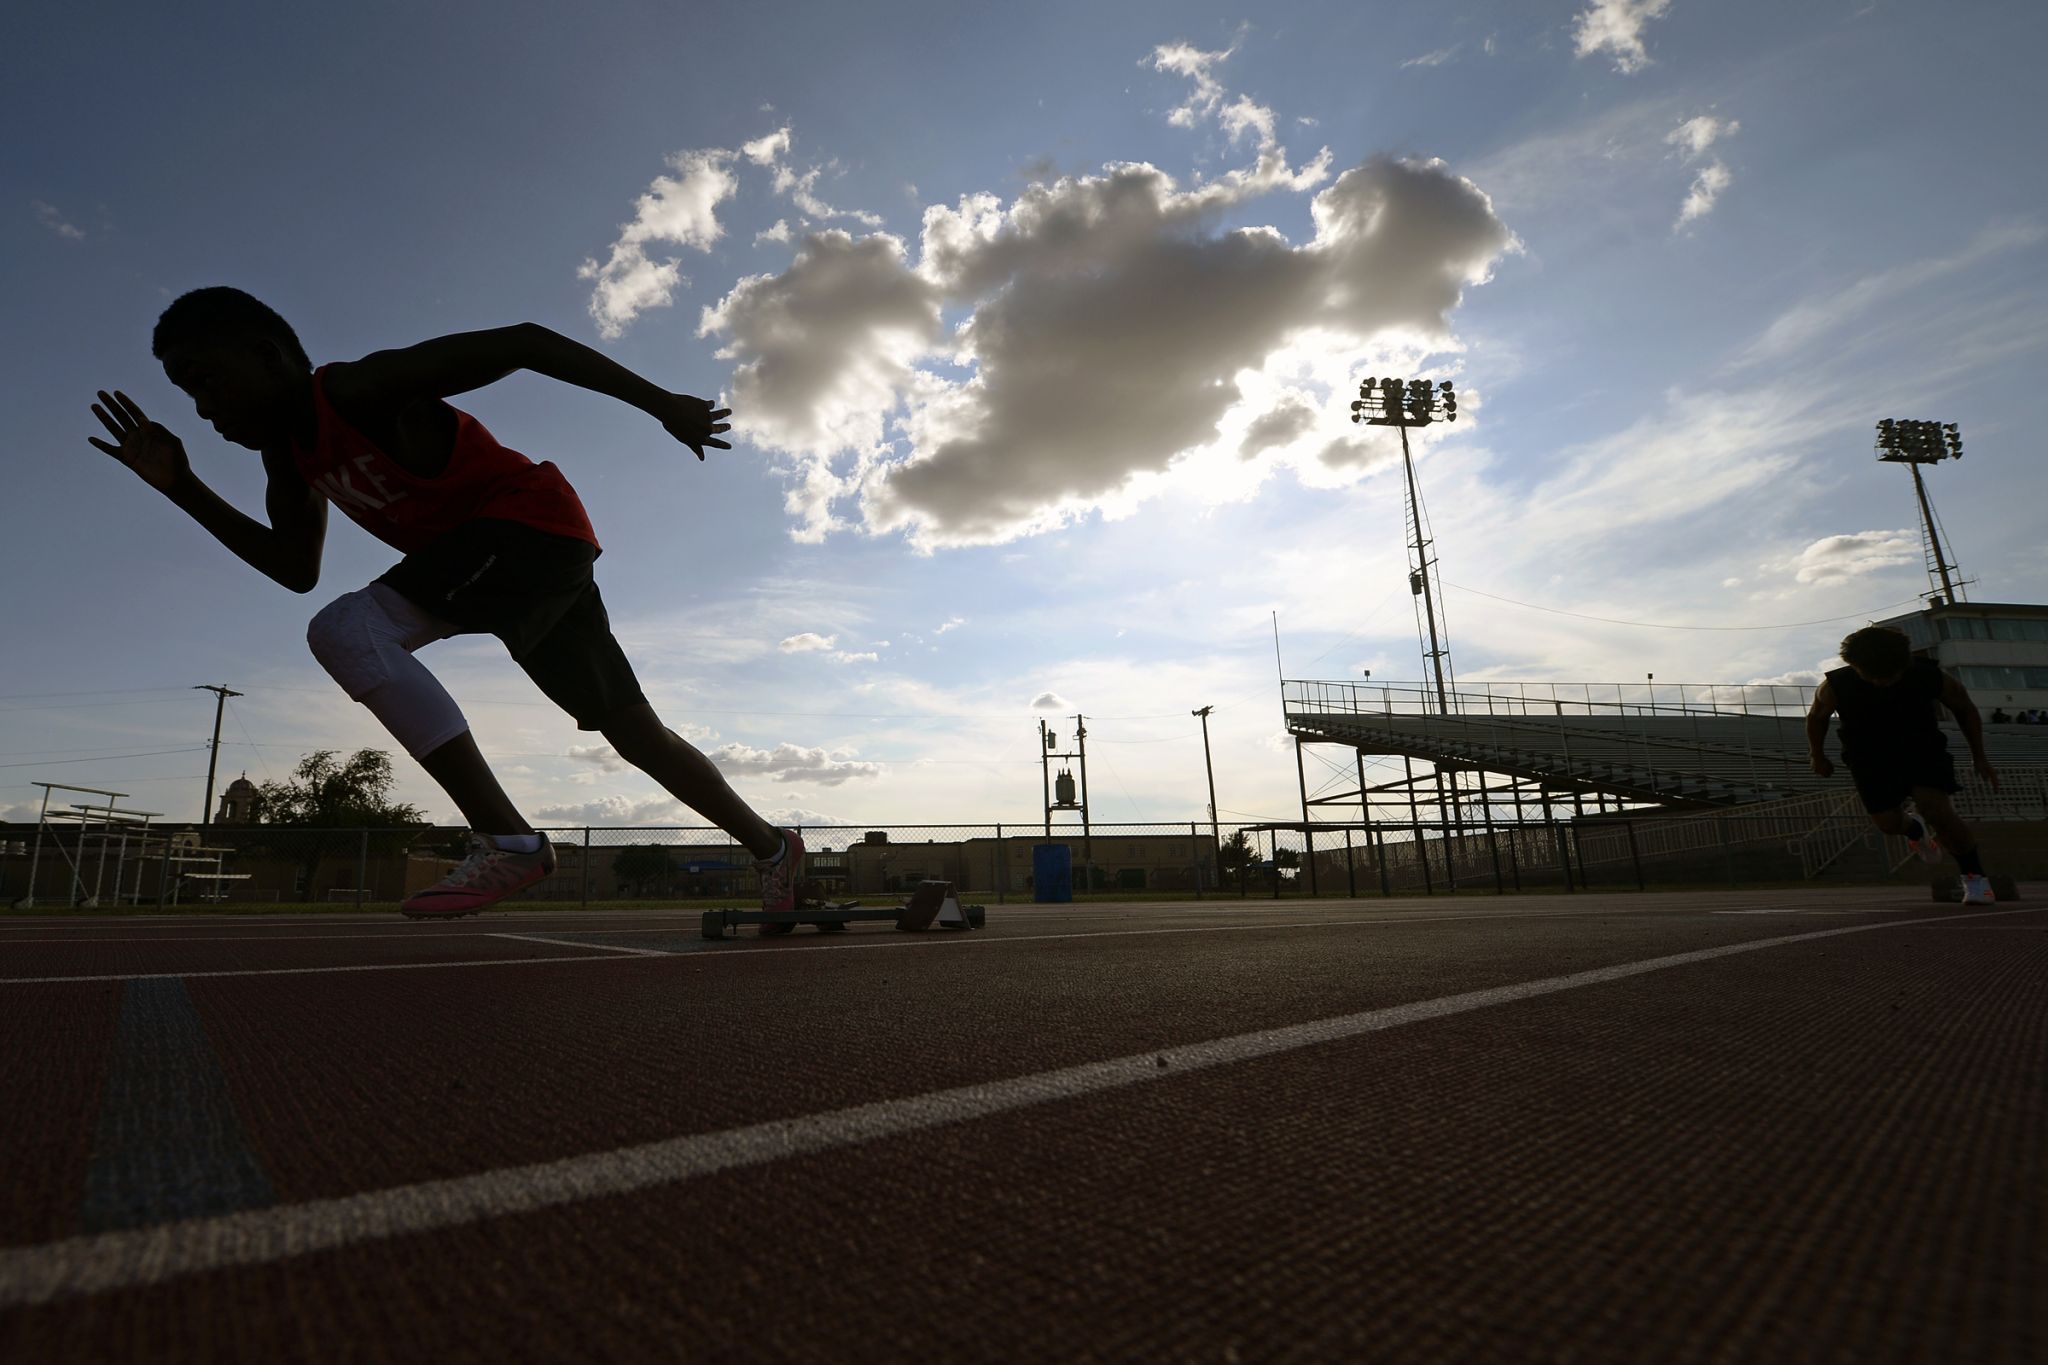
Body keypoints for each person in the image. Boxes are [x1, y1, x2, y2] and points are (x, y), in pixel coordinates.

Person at [88, 287, 803, 919]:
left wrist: (662, 405)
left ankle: (512, 842)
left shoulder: (361, 390)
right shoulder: (291, 460)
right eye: (190, 395)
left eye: (209, 381)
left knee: (347, 629)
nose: (206, 409)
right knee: (636, 733)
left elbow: (525, 342)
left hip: (525, 527)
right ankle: (776, 850)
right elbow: (294, 566)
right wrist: (183, 486)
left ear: (268, 354)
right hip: (519, 560)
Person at [1805, 625, 1999, 904]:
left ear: (1903, 664)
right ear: (1855, 666)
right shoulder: (1836, 685)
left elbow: (1964, 707)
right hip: (1868, 756)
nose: (1881, 682)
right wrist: (1817, 754)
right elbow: (1816, 718)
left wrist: (1979, 756)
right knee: (1887, 823)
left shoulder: (1928, 675)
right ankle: (1915, 830)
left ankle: (1976, 878)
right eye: (1871, 677)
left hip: (1922, 750)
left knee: (1938, 810)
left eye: (1889, 677)